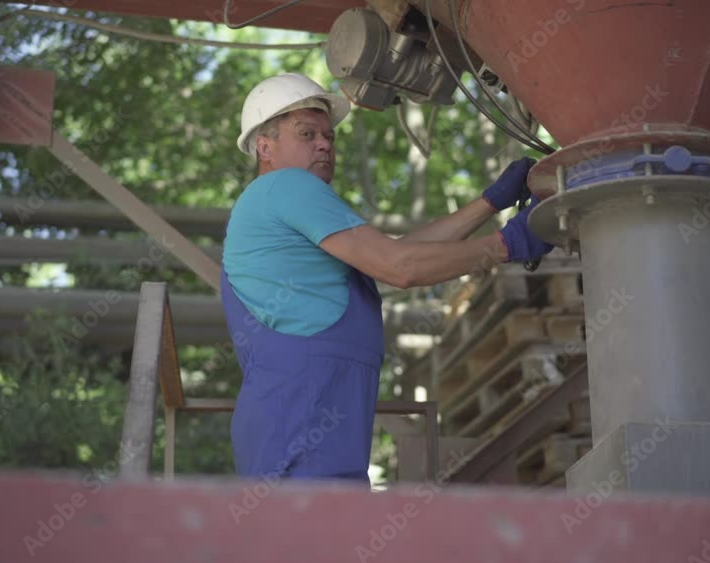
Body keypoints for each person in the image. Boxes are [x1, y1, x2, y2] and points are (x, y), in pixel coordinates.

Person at [220, 72, 552, 484]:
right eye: (307, 133)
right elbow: (401, 268)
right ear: (264, 147)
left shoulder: (274, 209)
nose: (325, 143)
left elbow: (402, 253)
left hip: (298, 428)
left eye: (329, 136)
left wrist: (490, 202)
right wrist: (506, 245)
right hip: (300, 430)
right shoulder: (286, 187)